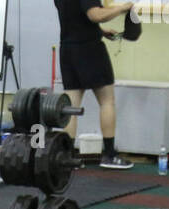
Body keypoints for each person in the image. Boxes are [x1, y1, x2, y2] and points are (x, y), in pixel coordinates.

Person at [53, 0, 135, 170]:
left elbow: (75, 17)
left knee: (70, 108)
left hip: (68, 49)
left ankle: (65, 158)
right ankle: (110, 155)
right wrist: (121, 8)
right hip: (89, 49)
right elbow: (95, 15)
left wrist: (100, 32)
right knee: (107, 101)